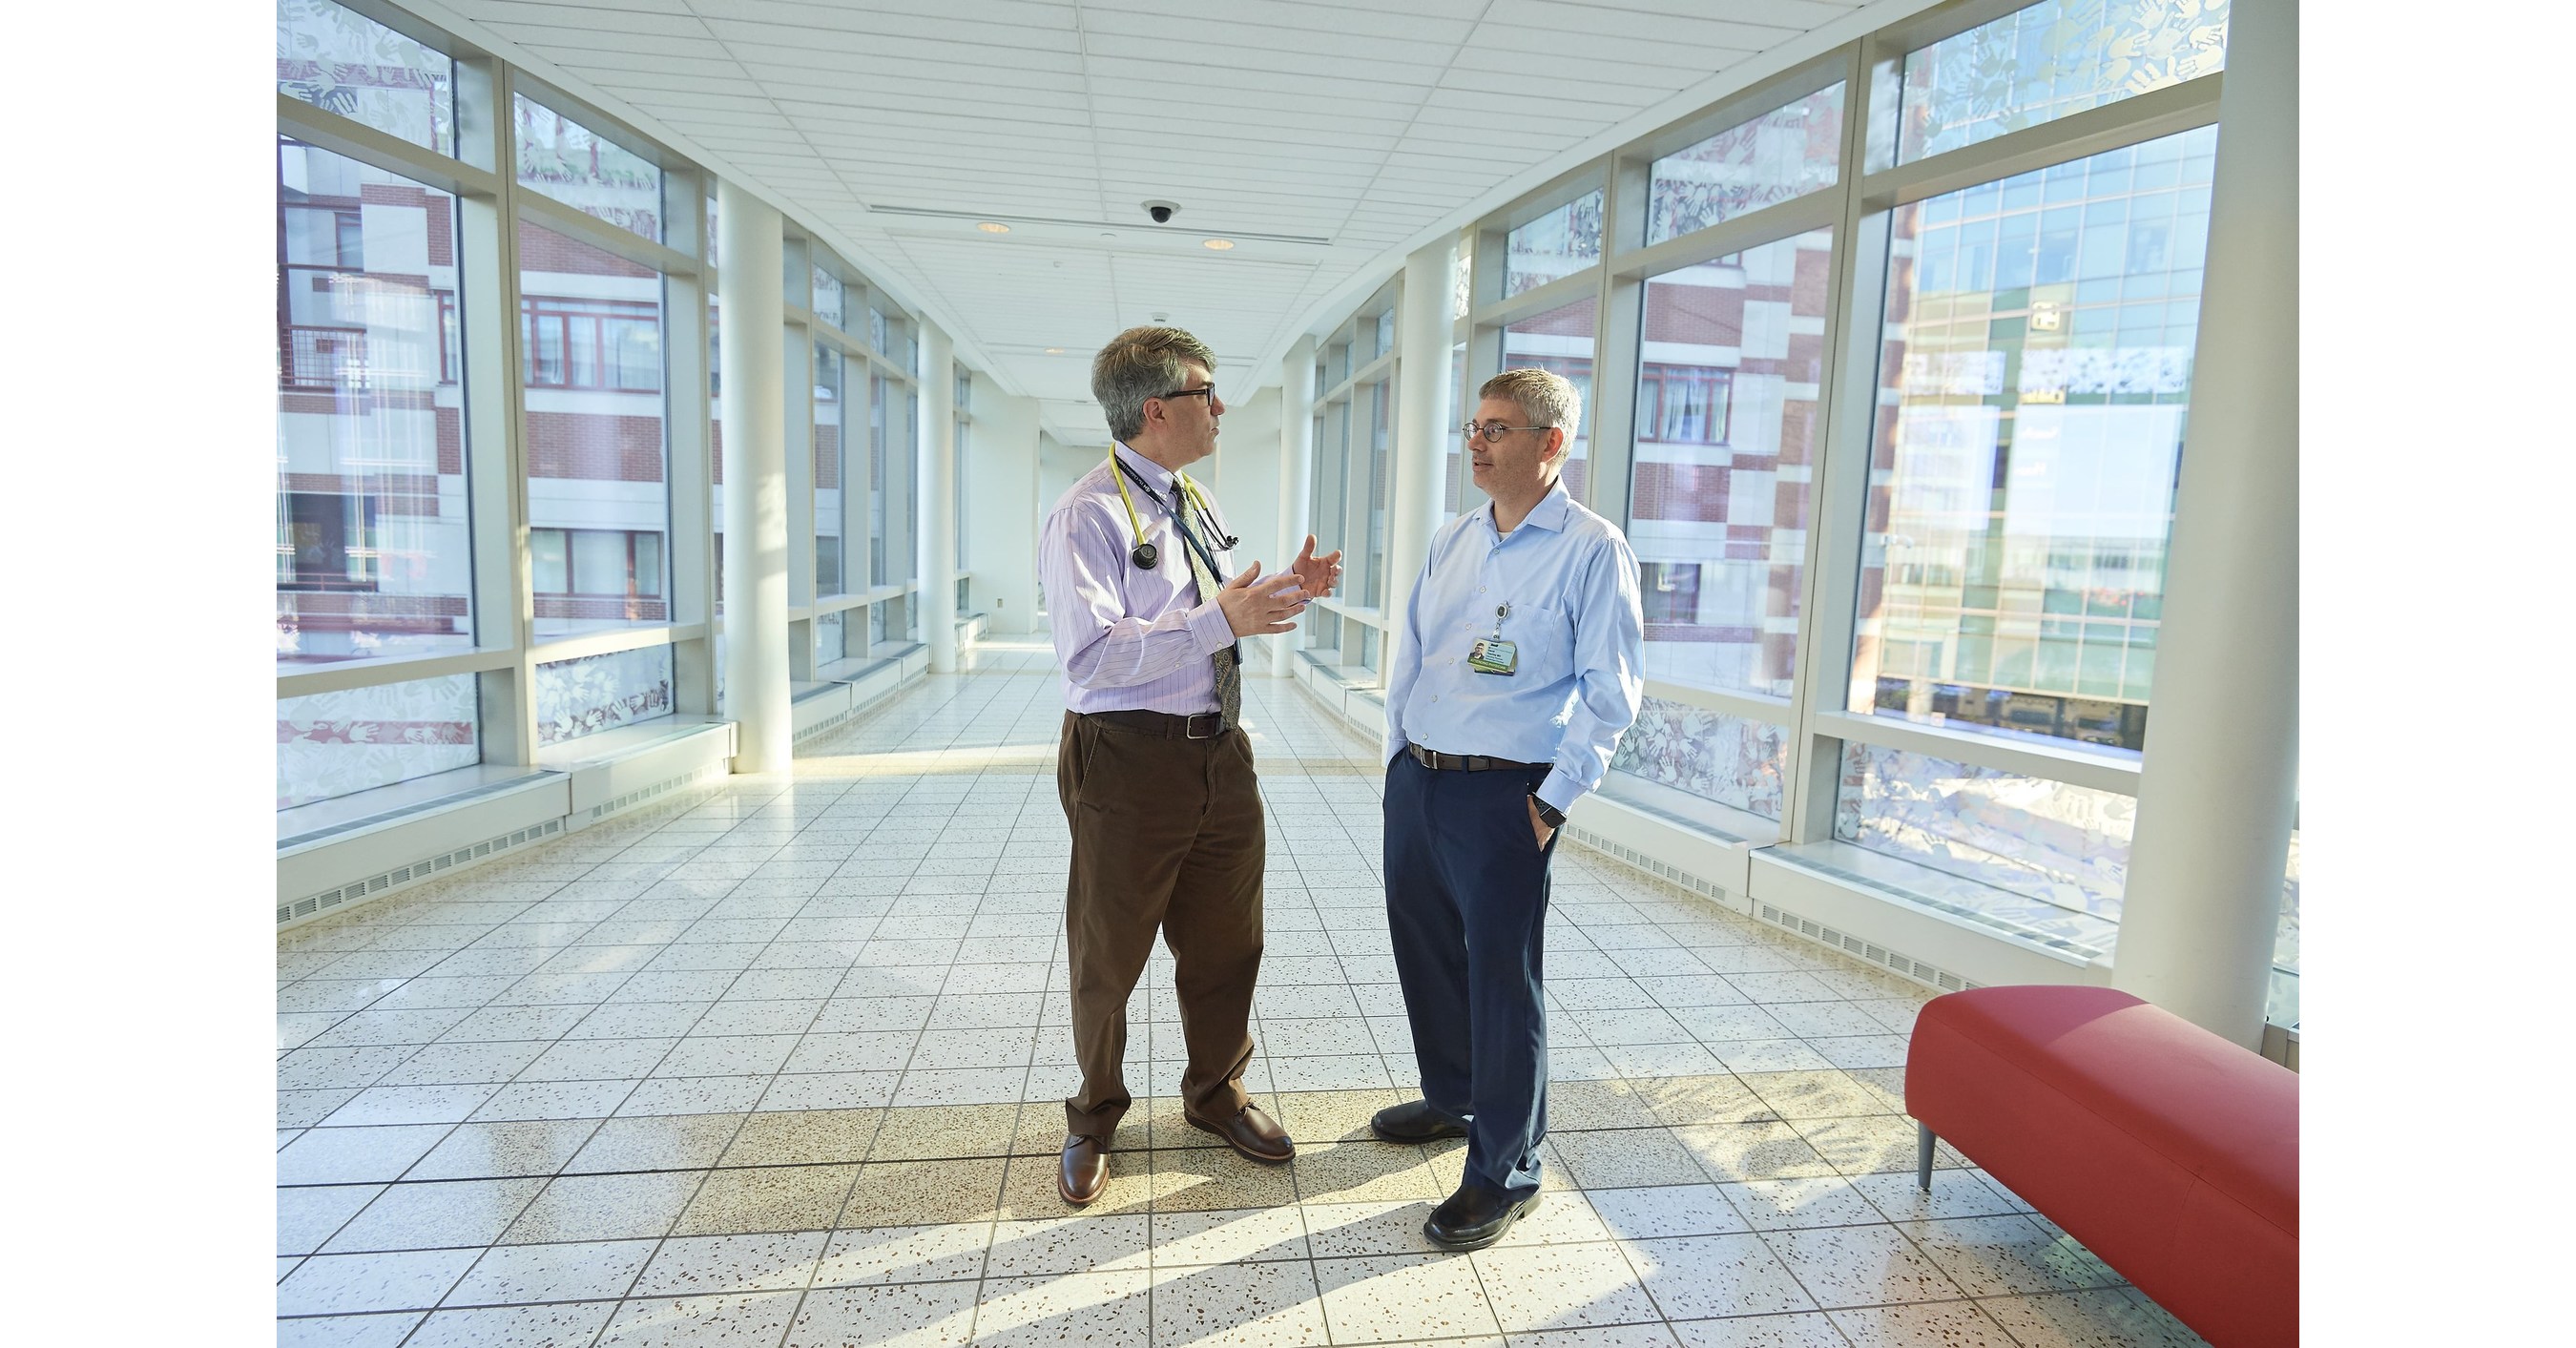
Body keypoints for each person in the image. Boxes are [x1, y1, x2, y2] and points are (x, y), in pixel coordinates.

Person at [1037, 325, 1345, 1206]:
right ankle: (1095, 1114)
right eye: (1207, 392)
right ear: (1156, 408)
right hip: (1126, 753)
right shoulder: (1088, 515)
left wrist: (1281, 591)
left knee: (1227, 937)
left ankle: (1215, 1091)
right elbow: (1091, 656)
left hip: (1220, 746)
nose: (1221, 407)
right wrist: (1221, 621)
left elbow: (1211, 608)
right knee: (1109, 948)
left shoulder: (1191, 498)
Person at [1374, 366, 1645, 1249]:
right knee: (1424, 950)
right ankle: (1454, 1096)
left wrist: (1549, 804)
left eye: (1497, 429)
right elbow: (1415, 651)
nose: (1477, 443)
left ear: (1550, 442)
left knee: (1501, 976)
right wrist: (1397, 761)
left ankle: (1506, 1167)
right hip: (1421, 778)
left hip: (1505, 795)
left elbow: (1612, 693)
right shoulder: (1455, 538)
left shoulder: (1592, 549)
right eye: (1475, 427)